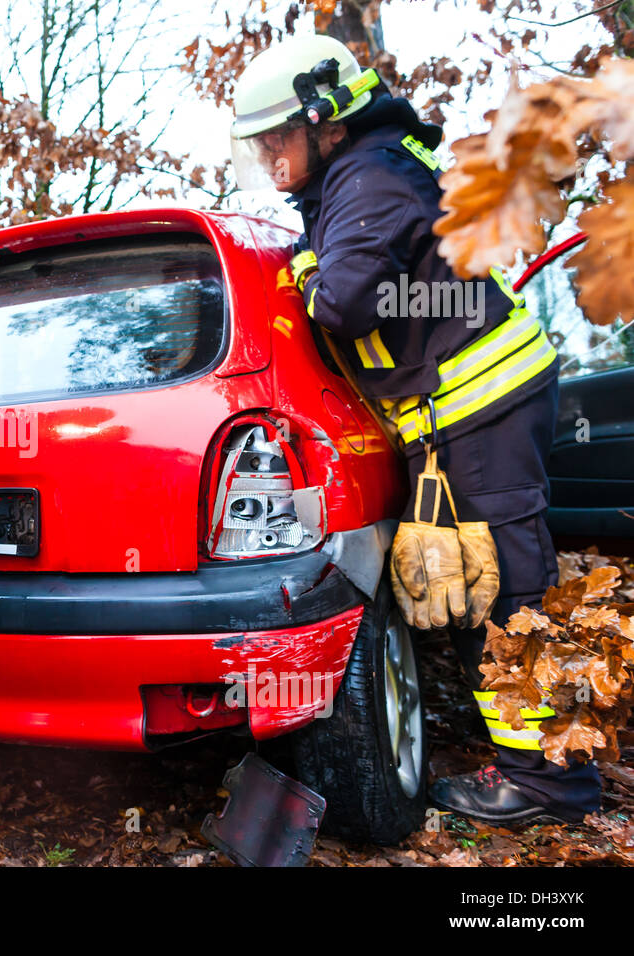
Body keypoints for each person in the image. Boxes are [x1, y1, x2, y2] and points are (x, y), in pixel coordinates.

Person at [228, 33, 600, 824]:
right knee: (481, 579)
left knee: (508, 588)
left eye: (274, 137)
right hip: (466, 409)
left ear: (326, 120)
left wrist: (303, 273)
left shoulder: (370, 178)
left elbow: (342, 303)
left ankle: (549, 782)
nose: (265, 154)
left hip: (483, 404)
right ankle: (529, 759)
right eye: (254, 143)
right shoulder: (352, 185)